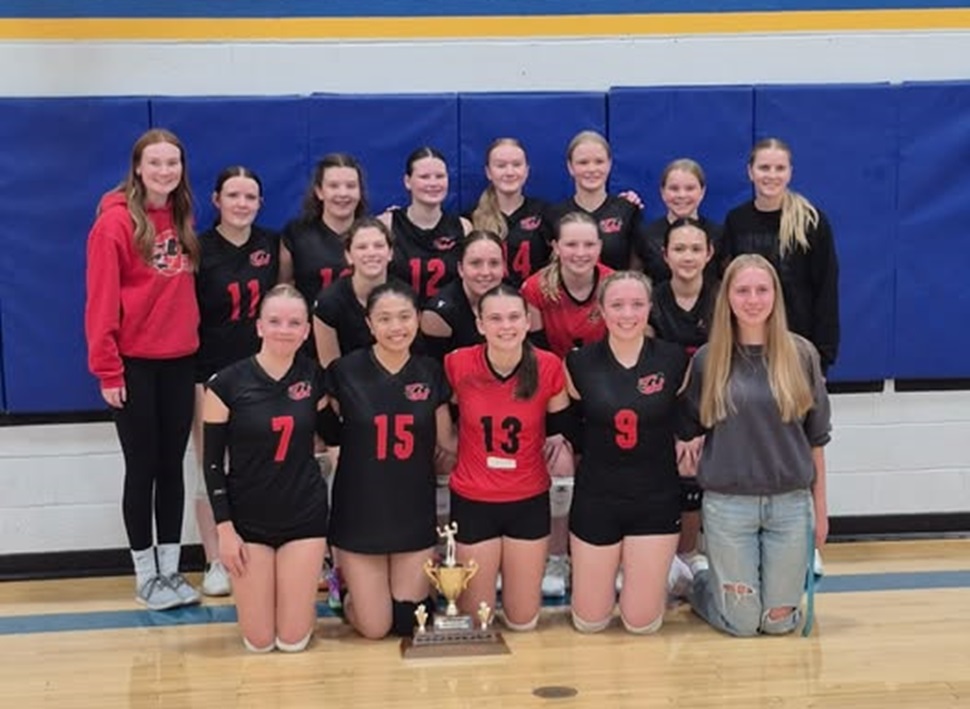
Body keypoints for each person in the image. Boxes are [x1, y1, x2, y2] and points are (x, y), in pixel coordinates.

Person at [679, 254, 832, 637]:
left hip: (790, 505)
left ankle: (762, 588)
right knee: (743, 624)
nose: (752, 300)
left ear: (775, 295)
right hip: (729, 506)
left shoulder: (802, 354)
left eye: (762, 290)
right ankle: (698, 582)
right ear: (727, 297)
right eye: (742, 290)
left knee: (779, 624)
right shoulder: (708, 359)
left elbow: (816, 440)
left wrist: (820, 510)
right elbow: (688, 426)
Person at [85, 128, 201, 610]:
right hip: (134, 365)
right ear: (137, 167)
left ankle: (170, 571)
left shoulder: (182, 214)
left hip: (179, 361)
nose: (164, 171)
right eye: (155, 163)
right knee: (143, 468)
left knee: (172, 466)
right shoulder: (114, 223)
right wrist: (107, 370)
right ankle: (145, 575)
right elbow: (100, 302)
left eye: (173, 163)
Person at [202, 284, 330, 653]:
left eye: (294, 323)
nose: (284, 330)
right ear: (259, 326)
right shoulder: (226, 384)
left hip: (303, 517)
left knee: (292, 641)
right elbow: (212, 463)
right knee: (258, 642)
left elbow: (336, 437)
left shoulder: (314, 377)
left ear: (306, 331)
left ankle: (304, 606)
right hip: (248, 522)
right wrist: (225, 530)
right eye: (274, 321)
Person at [325, 282, 455, 639]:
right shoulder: (344, 371)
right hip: (360, 513)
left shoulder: (431, 371)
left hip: (413, 510)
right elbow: (325, 432)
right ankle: (343, 592)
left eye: (404, 317)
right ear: (369, 324)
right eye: (384, 319)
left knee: (407, 624)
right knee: (375, 628)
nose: (396, 327)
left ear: (417, 319)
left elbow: (447, 441)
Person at [565, 271, 690, 634]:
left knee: (640, 623)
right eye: (617, 305)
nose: (627, 314)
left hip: (655, 499)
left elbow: (685, 419)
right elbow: (569, 427)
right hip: (597, 499)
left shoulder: (673, 359)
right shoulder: (578, 363)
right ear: (601, 310)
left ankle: (669, 575)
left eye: (637, 304)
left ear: (650, 307)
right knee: (590, 622)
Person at [444, 285, 572, 631]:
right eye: (495, 318)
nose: (506, 326)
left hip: (528, 499)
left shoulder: (547, 365)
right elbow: (446, 420)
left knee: (523, 620)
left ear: (528, 321)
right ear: (480, 324)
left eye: (514, 317)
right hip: (474, 499)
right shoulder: (458, 363)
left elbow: (560, 427)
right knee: (476, 622)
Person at [192, 166, 280, 597]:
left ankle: (261, 547)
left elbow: (282, 302)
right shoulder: (198, 249)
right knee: (210, 464)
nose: (241, 204)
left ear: (260, 203)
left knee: (263, 461)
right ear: (216, 200)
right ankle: (215, 559)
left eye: (250, 197)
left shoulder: (271, 244)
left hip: (262, 371)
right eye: (233, 195)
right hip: (210, 372)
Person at [720, 138, 840, 372]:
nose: (772, 175)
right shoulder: (736, 220)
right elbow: (727, 287)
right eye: (764, 167)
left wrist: (823, 356)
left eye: (780, 168)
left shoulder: (811, 222)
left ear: (790, 172)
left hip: (797, 342)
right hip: (748, 345)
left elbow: (826, 289)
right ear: (750, 172)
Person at [649, 217, 718, 559]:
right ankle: (664, 555)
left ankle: (693, 554)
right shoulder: (651, 300)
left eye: (695, 249)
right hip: (664, 407)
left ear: (709, 253)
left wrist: (698, 430)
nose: (687, 256)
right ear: (665, 255)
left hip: (715, 406)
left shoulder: (724, 298)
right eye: (679, 249)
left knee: (697, 469)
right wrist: (681, 430)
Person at [380, 147, 472, 302]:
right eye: (424, 177)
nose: (433, 183)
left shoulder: (464, 227)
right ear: (407, 181)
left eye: (440, 176)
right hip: (399, 314)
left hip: (449, 315)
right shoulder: (386, 225)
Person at [547, 130, 643, 271]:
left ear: (609, 164)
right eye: (583, 162)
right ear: (570, 167)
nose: (592, 169)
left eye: (599, 162)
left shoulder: (627, 209)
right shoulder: (555, 214)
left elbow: (637, 265)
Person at [280, 154, 366, 309]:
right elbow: (284, 285)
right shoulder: (297, 233)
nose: (343, 193)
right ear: (319, 191)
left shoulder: (372, 234)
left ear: (360, 191)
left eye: (351, 186)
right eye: (333, 186)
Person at [522, 212, 612, 357]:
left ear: (600, 246)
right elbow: (538, 350)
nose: (580, 253)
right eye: (571, 245)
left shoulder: (614, 285)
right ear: (556, 247)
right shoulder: (535, 288)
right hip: (554, 366)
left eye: (589, 245)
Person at [470, 138, 553, 287]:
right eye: (501, 166)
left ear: (526, 171)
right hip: (489, 299)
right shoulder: (471, 219)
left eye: (516, 165)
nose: (509, 172)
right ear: (488, 172)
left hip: (532, 299)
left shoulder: (545, 213)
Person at [312, 217, 394, 368]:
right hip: (346, 379)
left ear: (390, 253)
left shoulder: (404, 296)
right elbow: (330, 367)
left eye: (378, 246)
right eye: (362, 247)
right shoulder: (329, 302)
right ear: (348, 256)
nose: (371, 253)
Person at [634, 158, 722, 285]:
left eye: (690, 188)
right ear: (663, 192)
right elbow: (636, 281)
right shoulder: (646, 235)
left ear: (702, 192)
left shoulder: (718, 234)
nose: (682, 195)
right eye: (674, 189)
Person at [420, 230, 505, 361]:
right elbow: (434, 370)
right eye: (475, 263)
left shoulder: (514, 302)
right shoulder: (439, 315)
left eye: (494, 263)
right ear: (460, 269)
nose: (485, 272)